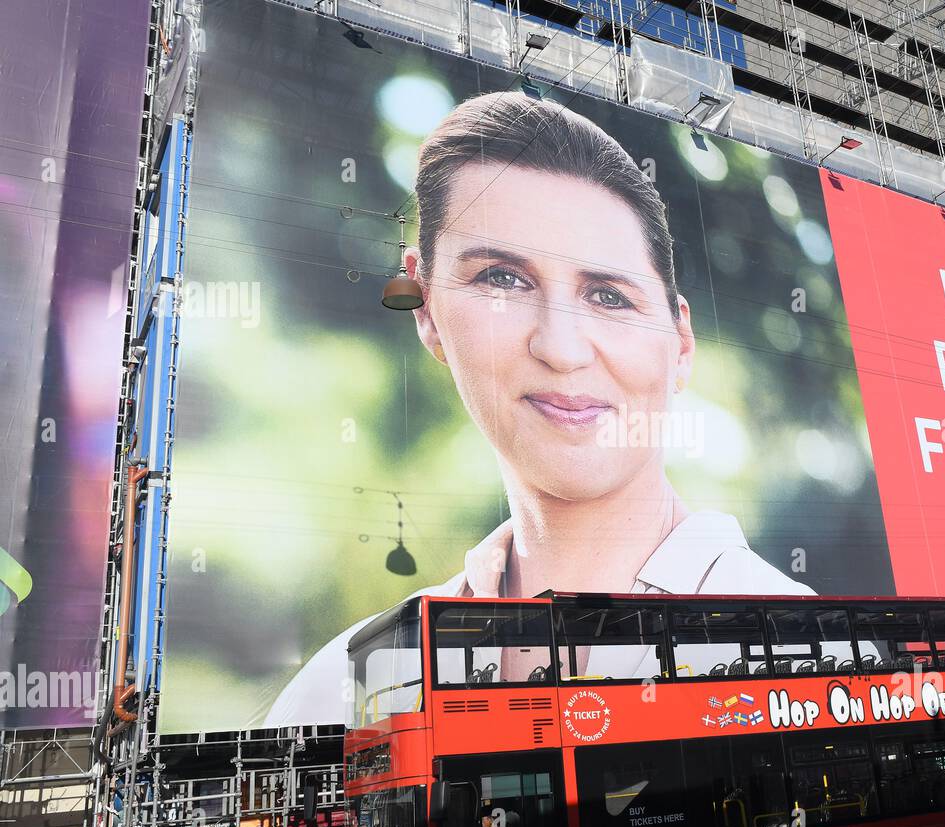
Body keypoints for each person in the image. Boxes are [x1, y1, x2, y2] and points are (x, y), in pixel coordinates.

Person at [267, 92, 812, 726]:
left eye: (608, 296)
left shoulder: (809, 656)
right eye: (502, 278)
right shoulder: (344, 691)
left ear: (680, 344)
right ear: (427, 309)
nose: (559, 347)